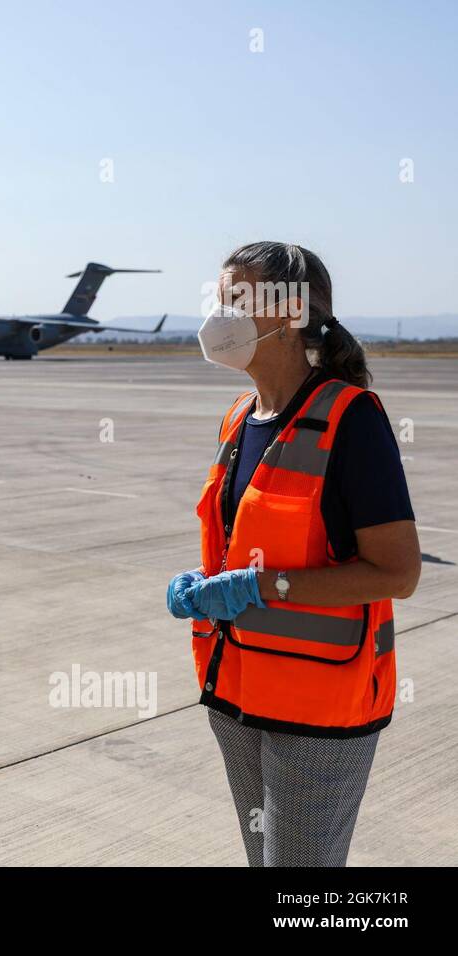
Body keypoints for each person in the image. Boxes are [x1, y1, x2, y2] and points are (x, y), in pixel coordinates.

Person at [166, 241, 420, 866]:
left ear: (287, 314)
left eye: (234, 300)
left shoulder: (350, 419)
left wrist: (261, 588)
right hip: (238, 688)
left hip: (317, 703)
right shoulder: (239, 420)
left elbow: (398, 572)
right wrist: (211, 582)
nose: (217, 315)